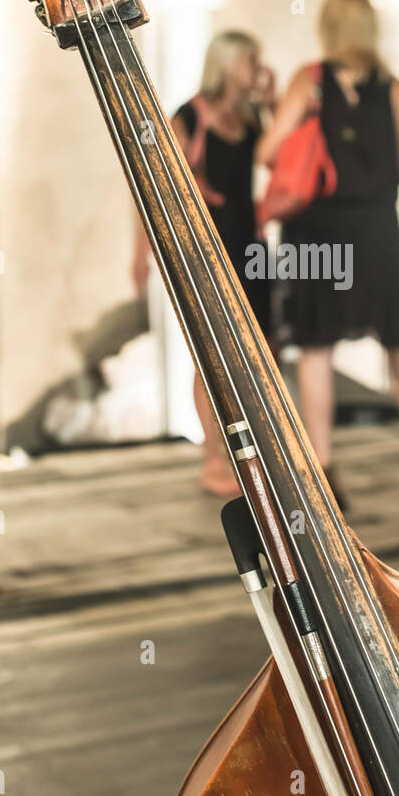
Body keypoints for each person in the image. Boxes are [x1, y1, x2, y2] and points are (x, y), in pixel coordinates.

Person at [256, 0, 399, 511]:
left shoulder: (310, 81)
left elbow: (268, 150)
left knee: (317, 350)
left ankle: (324, 469)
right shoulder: (392, 88)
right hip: (377, 233)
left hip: (318, 233)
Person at [133, 30, 274, 497]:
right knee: (211, 359)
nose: (257, 66)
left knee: (258, 354)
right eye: (250, 59)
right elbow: (150, 185)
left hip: (249, 247)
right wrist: (141, 253)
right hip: (205, 252)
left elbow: (278, 163)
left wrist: (271, 102)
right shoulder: (188, 117)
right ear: (228, 62)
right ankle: (214, 459)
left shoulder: (251, 116)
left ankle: (257, 457)